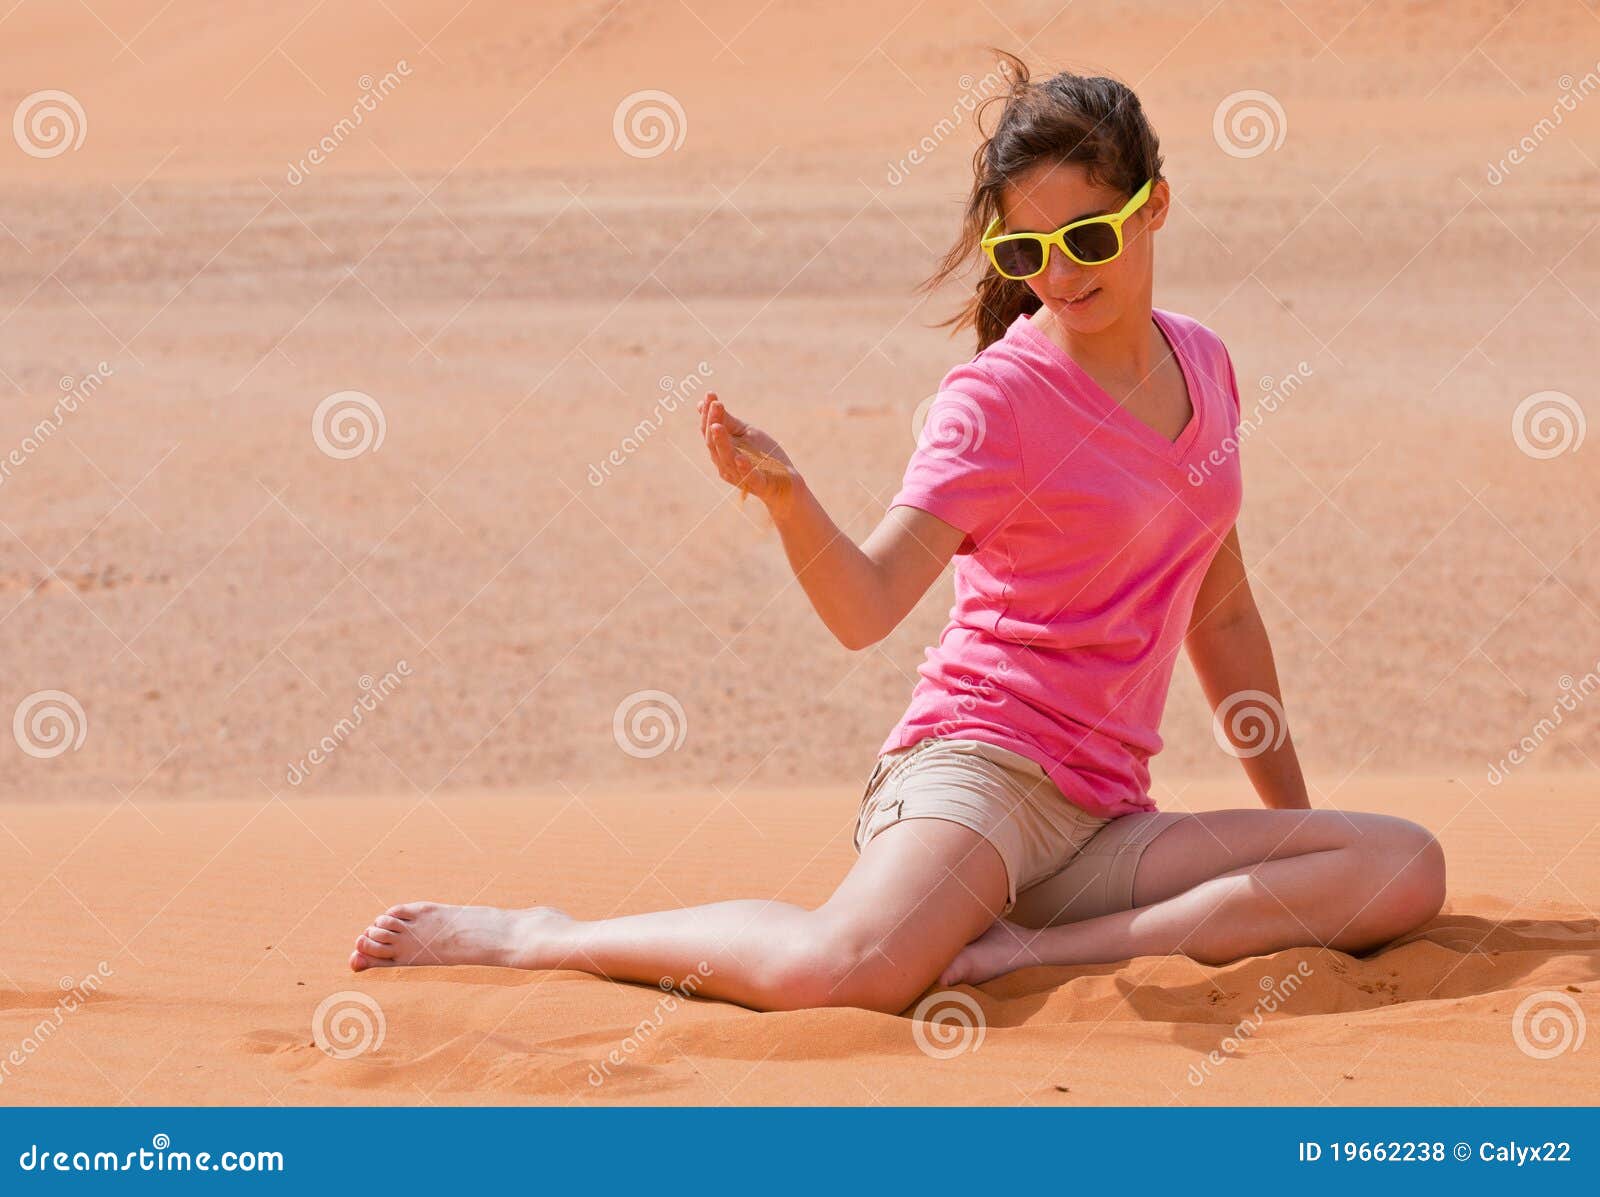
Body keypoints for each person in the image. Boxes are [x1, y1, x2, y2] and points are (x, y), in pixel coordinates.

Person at [349, 57, 1444, 1010]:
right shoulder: (996, 403)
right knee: (851, 968)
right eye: (1028, 254)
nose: (1061, 277)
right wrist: (788, 501)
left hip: (1106, 820)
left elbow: (1224, 608)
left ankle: (1028, 954)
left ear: (1155, 207)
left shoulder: (1203, 362)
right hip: (978, 775)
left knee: (1400, 868)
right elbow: (866, 606)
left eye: (1089, 237)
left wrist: (1305, 843)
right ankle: (543, 935)